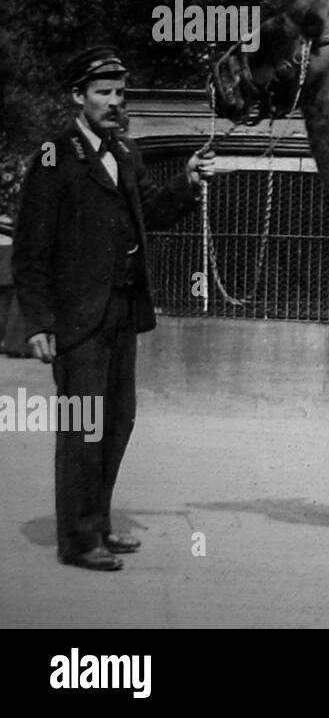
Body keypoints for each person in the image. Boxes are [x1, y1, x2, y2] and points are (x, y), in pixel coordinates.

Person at [13, 46, 214, 571]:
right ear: (78, 97)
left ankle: (97, 524)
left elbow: (151, 212)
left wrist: (187, 180)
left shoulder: (125, 154)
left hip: (123, 313)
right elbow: (31, 248)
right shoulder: (55, 157)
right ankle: (78, 541)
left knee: (117, 421)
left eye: (119, 92)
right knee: (84, 426)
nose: (113, 101)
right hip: (77, 319)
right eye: (103, 92)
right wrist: (38, 322)